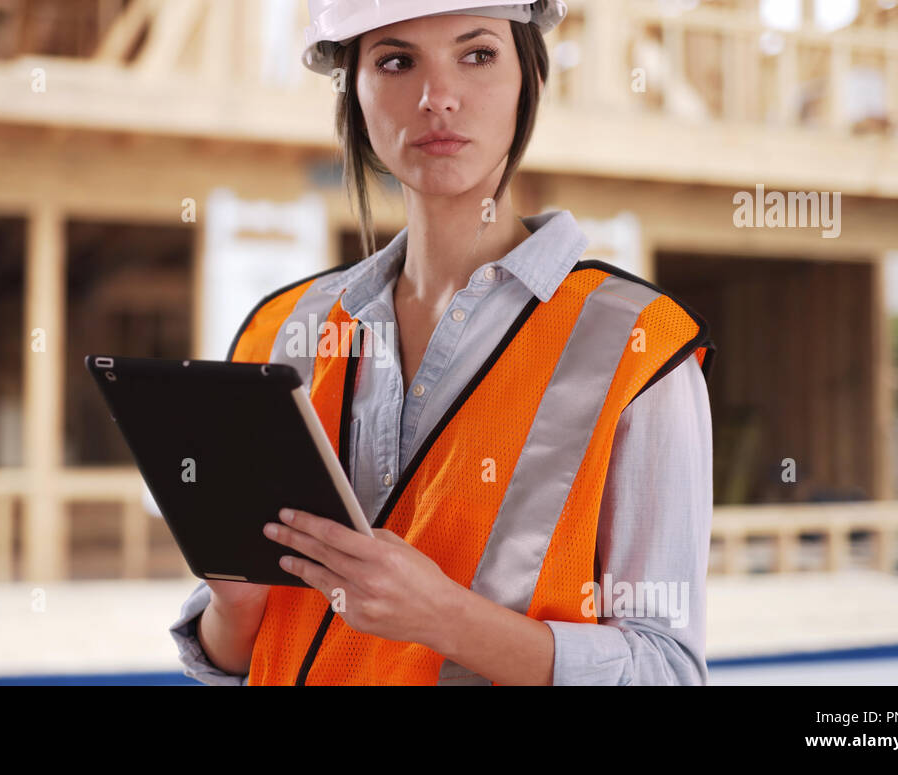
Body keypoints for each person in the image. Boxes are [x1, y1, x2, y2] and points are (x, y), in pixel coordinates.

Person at [169, 0, 716, 685]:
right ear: (355, 95)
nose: (437, 98)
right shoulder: (280, 334)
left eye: (477, 54)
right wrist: (236, 606)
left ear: (531, 81)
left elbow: (667, 671)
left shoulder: (636, 346)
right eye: (396, 61)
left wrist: (445, 618)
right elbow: (231, 657)